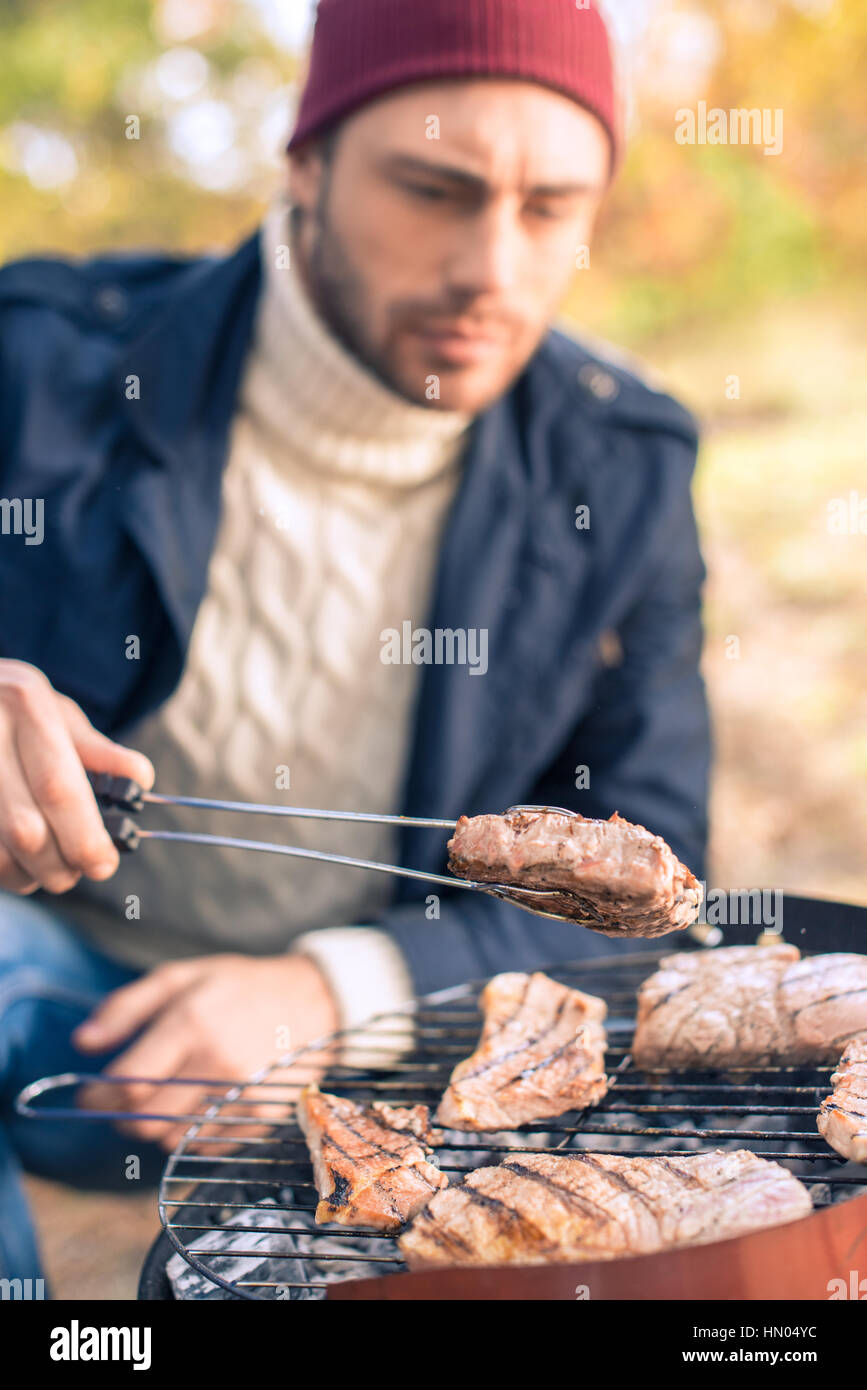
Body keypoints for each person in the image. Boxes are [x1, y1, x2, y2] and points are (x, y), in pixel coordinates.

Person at [0, 0, 711, 1288]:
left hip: (401, 1034)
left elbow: (659, 854)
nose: (492, 268)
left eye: (550, 208)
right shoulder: (39, 364)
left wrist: (334, 990)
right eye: (436, 190)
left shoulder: (627, 463)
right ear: (307, 164)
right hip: (67, 1000)